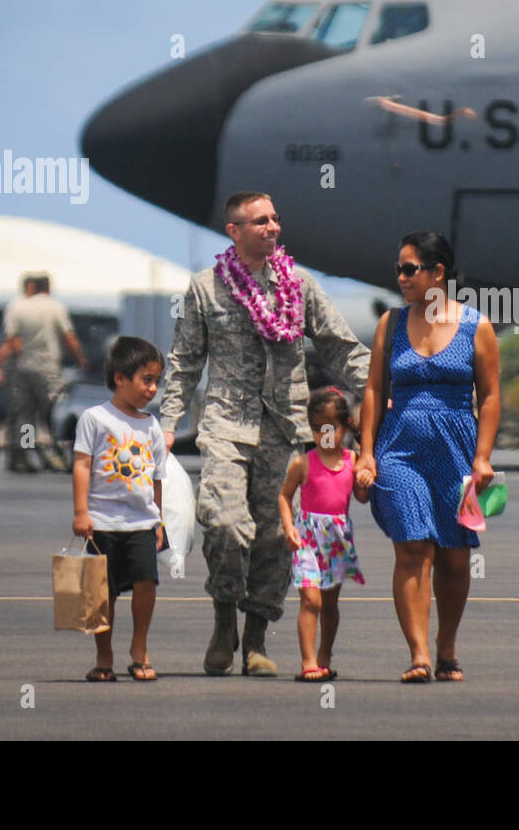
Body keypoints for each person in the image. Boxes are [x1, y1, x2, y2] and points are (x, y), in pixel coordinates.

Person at [160, 191, 369, 676]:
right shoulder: (205, 288)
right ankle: (223, 620)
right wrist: (167, 424)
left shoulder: (299, 284)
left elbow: (341, 346)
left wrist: (386, 385)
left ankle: (256, 637)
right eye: (260, 221)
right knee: (225, 522)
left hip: (284, 426)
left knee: (276, 535)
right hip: (225, 424)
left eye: (276, 218)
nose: (273, 227)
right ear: (234, 231)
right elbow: (185, 361)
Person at [356, 231, 500, 683]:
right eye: (398, 269)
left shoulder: (477, 325)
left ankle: (446, 648)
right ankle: (418, 653)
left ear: (438, 273)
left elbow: (491, 396)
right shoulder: (391, 324)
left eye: (409, 269)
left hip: (457, 451)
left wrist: (483, 457)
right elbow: (375, 390)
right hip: (399, 448)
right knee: (413, 546)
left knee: (455, 557)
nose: (400, 278)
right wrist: (365, 453)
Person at [71, 336, 168, 682]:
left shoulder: (151, 425)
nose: (153, 388)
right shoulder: (95, 419)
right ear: (120, 378)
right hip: (102, 522)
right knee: (103, 592)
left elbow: (157, 476)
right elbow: (82, 466)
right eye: (146, 379)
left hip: (141, 522)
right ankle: (104, 656)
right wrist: (81, 512)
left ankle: (139, 649)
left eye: (157, 380)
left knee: (146, 584)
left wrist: (159, 520)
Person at [277, 387, 369, 682]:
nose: (323, 435)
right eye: (317, 429)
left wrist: (365, 481)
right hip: (306, 539)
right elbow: (284, 496)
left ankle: (324, 656)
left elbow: (362, 497)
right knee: (311, 601)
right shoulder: (303, 463)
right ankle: (308, 662)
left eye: (330, 428)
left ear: (343, 428)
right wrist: (289, 526)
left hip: (336, 541)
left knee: (329, 604)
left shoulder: (352, 461)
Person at [0, 273, 88, 473]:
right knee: (55, 413)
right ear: (48, 288)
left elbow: (12, 342)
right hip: (48, 370)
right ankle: (64, 454)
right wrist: (81, 359)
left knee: (25, 416)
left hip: (23, 370)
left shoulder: (16, 307)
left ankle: (21, 456)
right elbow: (68, 337)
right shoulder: (55, 307)